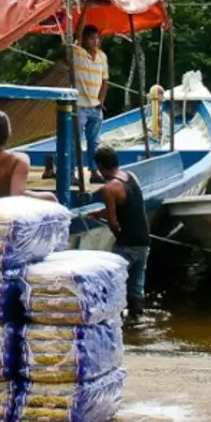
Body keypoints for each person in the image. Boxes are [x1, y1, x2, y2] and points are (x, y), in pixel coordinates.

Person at [90, 146, 150, 321]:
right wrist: (97, 214)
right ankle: (137, 319)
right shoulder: (131, 176)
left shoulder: (109, 189)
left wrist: (115, 230)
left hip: (127, 243)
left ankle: (112, 321)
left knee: (112, 280)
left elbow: (113, 222)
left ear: (100, 166)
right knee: (136, 285)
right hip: (144, 241)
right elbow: (129, 206)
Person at [73, 25, 109, 183]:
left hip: (95, 107)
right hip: (80, 106)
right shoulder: (78, 53)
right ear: (84, 40)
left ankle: (94, 171)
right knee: (75, 141)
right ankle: (69, 172)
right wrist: (87, 7)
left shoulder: (102, 57)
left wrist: (101, 101)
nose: (95, 41)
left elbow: (105, 80)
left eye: (97, 38)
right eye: (91, 38)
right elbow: (77, 32)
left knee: (94, 142)